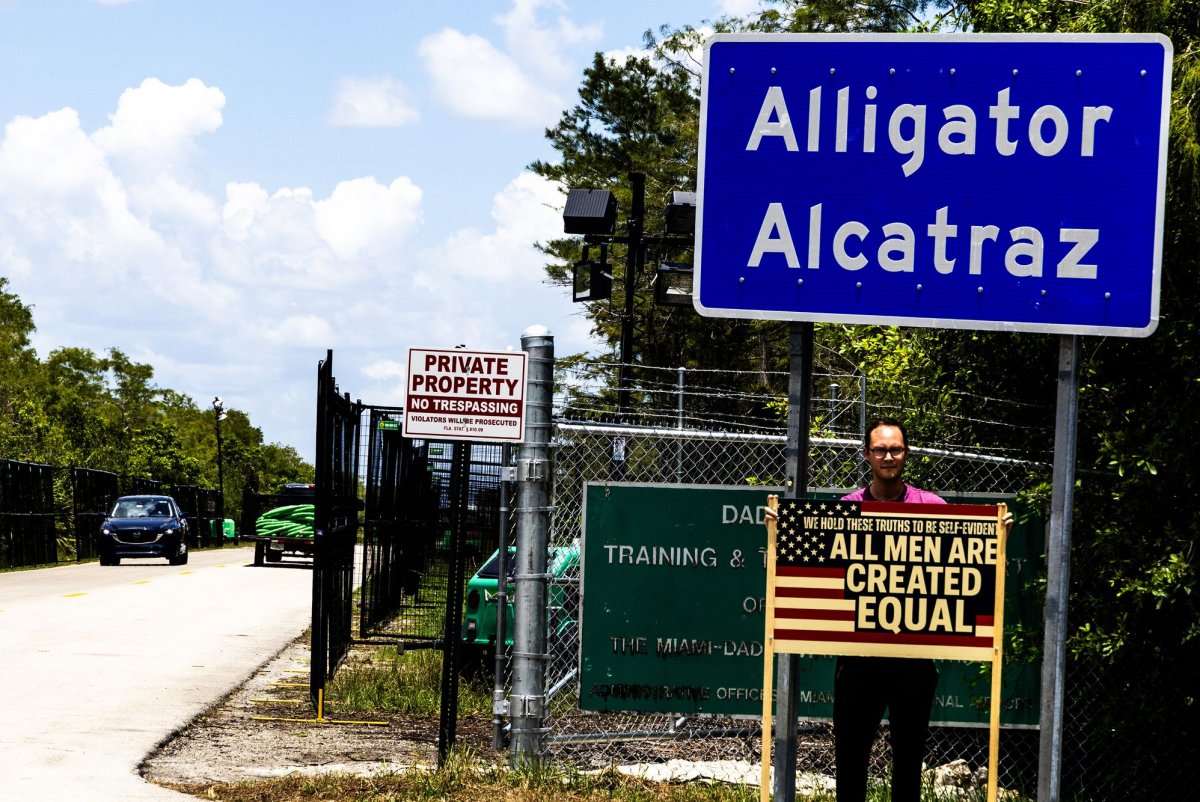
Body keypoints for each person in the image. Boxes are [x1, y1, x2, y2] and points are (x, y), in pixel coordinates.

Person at [833, 416, 943, 802]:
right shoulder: (847, 510)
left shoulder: (933, 507)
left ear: (906, 454)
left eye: (895, 448)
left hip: (913, 658)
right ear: (867, 455)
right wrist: (778, 532)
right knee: (850, 761)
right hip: (858, 659)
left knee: (909, 763)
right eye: (880, 449)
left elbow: (965, 563)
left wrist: (1000, 534)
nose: (888, 456)